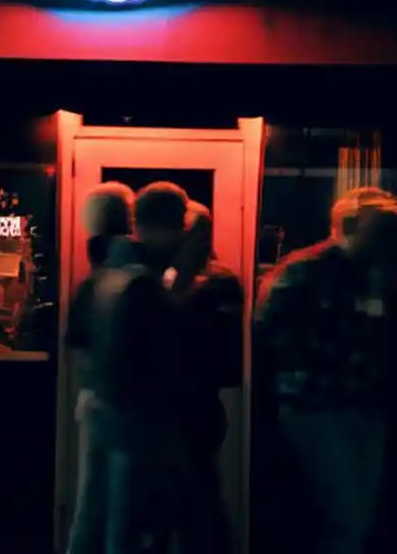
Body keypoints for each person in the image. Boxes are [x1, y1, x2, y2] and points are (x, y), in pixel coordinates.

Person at [254, 187, 397, 554]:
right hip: (317, 407)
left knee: (356, 517)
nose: (390, 236)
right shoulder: (303, 271)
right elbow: (269, 335)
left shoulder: (377, 273)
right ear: (351, 223)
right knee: (347, 517)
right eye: (381, 227)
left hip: (361, 406)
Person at [90, 182, 195, 554]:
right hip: (139, 426)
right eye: (179, 224)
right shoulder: (143, 285)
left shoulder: (112, 274)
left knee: (106, 524)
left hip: (114, 421)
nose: (184, 233)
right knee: (131, 529)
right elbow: (158, 360)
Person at [66, 182, 136, 554]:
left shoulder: (92, 270)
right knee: (121, 504)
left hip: (95, 395)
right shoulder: (128, 263)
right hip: (123, 401)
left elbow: (76, 339)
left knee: (92, 499)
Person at [174, 201, 244, 554]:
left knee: (193, 495)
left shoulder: (207, 284)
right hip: (202, 404)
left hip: (190, 405)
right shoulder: (223, 282)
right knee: (202, 493)